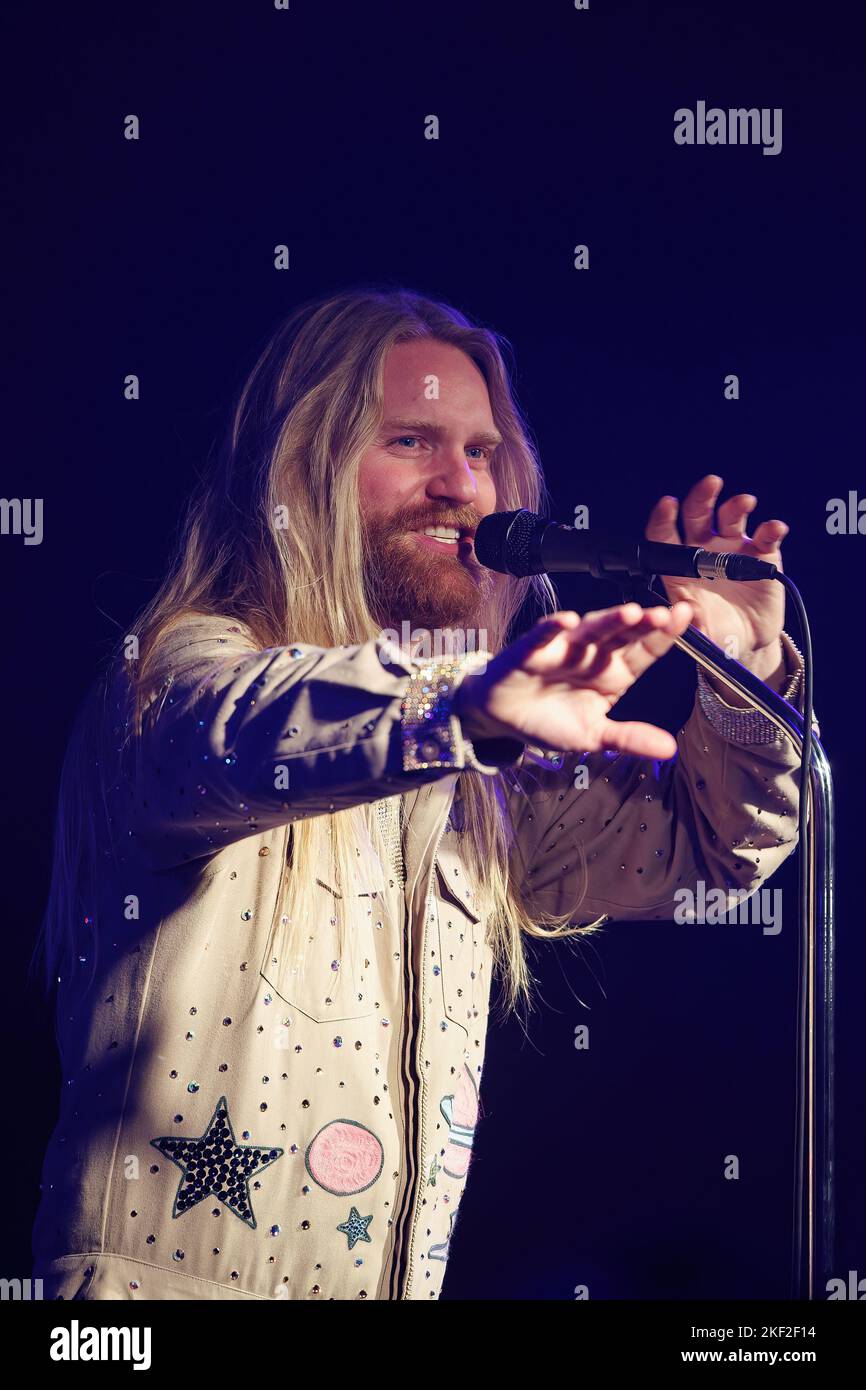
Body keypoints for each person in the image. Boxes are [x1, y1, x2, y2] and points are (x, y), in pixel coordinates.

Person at [32, 287, 806, 1300]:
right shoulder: (176, 676)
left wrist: (740, 671)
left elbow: (705, 849)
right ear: (299, 467)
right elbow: (245, 725)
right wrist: (467, 710)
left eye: (481, 453)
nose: (462, 486)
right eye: (410, 440)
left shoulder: (476, 772)